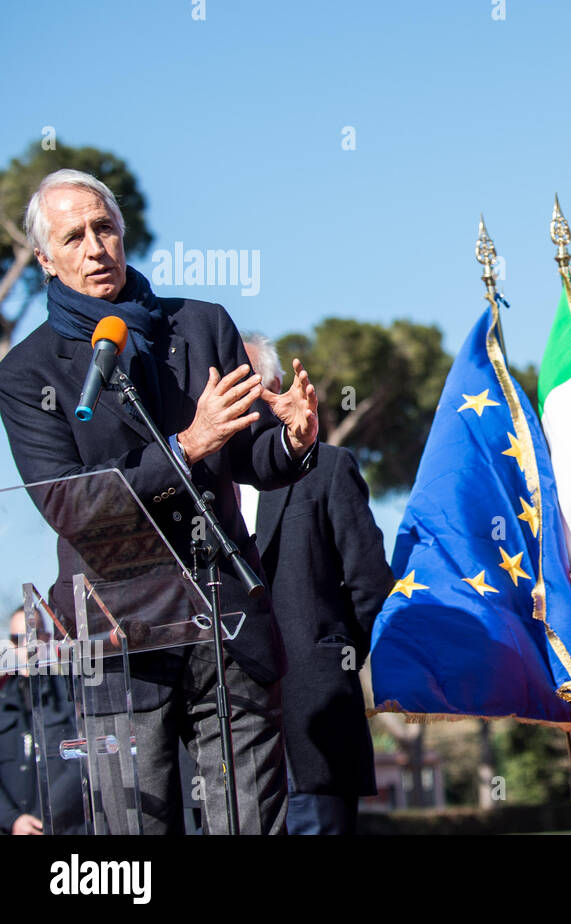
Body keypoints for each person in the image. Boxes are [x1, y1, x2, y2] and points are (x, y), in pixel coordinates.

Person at [0, 169, 320, 834]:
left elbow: (245, 457)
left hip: (228, 620)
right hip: (120, 636)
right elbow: (69, 505)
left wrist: (290, 441)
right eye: (74, 236)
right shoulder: (27, 373)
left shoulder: (202, 325)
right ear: (44, 259)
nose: (95, 247)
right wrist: (184, 447)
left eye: (104, 228)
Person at [239, 333, 391, 834]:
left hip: (313, 730)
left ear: (276, 387)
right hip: (224, 745)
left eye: (246, 380)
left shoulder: (327, 470)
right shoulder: (194, 482)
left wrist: (333, 656)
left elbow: (370, 584)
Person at [0, 609, 81, 835]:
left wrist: (44, 816)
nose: (27, 645)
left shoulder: (71, 693)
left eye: (34, 635)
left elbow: (83, 760)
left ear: (47, 638)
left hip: (64, 829)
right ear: (11, 645)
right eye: (19, 639)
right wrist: (13, 820)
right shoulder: (1, 700)